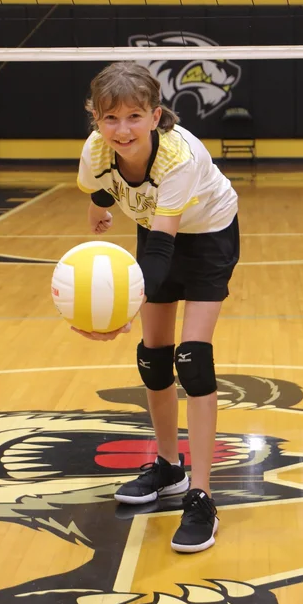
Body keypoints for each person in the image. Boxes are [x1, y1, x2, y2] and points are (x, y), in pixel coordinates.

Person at [72, 61, 240, 554]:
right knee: (152, 357)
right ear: (95, 120)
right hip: (156, 230)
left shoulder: (178, 159)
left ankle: (202, 494)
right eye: (110, 119)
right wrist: (98, 208)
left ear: (155, 115)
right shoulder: (96, 150)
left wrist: (118, 313)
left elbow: (162, 252)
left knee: (193, 357)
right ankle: (168, 465)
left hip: (207, 234)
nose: (122, 130)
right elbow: (101, 186)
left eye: (134, 117)